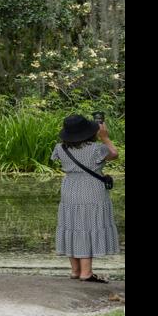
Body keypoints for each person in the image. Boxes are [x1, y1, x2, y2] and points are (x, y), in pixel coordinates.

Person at [53, 113, 120, 283]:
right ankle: (86, 273)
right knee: (88, 227)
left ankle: (76, 270)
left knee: (72, 225)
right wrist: (105, 137)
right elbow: (114, 153)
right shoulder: (97, 149)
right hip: (91, 190)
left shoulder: (60, 148)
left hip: (70, 189)